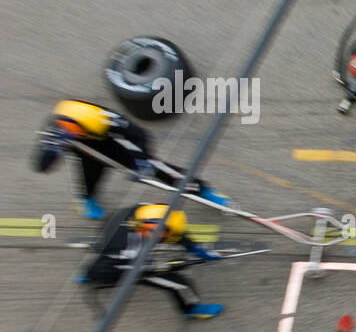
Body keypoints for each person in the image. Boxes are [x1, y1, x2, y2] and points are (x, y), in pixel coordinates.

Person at [36, 100, 227, 219]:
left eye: (76, 131)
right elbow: (41, 167)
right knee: (89, 176)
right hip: (87, 153)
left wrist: (141, 161)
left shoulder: (106, 120)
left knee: (160, 169)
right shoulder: (54, 130)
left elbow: (138, 136)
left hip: (118, 147)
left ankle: (201, 190)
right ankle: (87, 199)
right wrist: (52, 150)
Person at [84, 203, 225, 319]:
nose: (164, 236)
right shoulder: (130, 246)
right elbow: (149, 267)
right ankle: (191, 308)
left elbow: (173, 229)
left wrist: (194, 247)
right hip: (120, 265)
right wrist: (172, 266)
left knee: (99, 260)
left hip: (108, 241)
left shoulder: (145, 211)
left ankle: (89, 274)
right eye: (161, 233)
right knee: (179, 284)